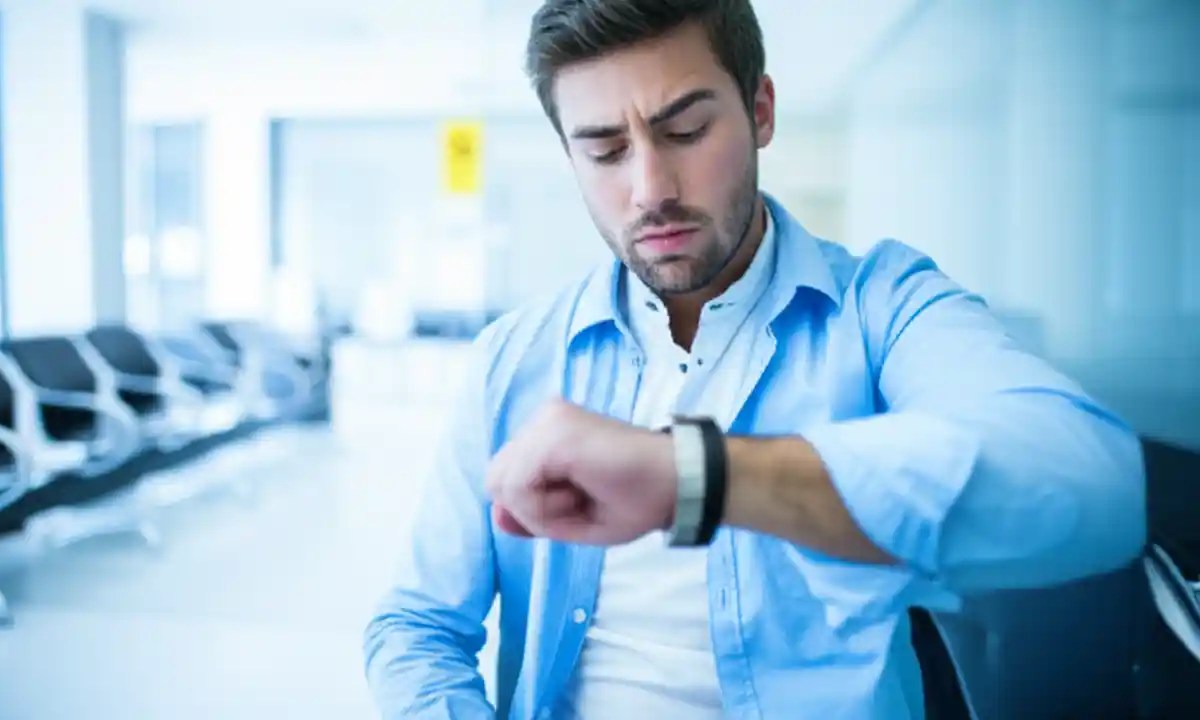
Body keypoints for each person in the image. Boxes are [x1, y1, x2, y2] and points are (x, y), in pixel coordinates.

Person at [363, 1, 1146, 717]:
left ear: (760, 110)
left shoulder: (881, 307)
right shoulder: (513, 359)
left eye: (685, 131)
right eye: (604, 151)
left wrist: (692, 477)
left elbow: (1093, 483)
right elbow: (416, 626)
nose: (650, 189)